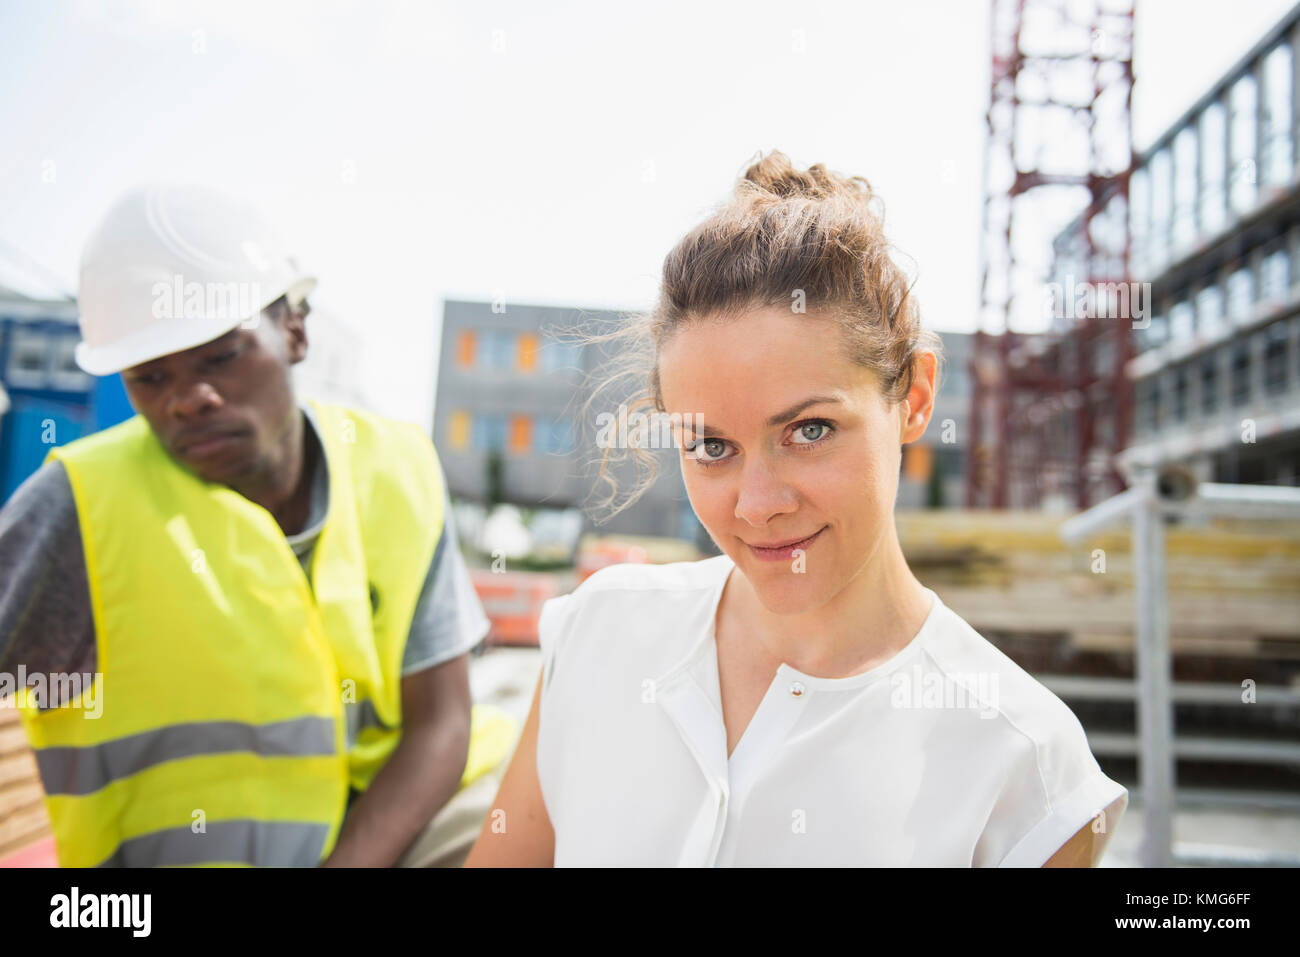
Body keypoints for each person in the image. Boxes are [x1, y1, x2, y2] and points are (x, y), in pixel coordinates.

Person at [466, 151, 1128, 867]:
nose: (758, 506)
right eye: (711, 446)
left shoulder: (1028, 769)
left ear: (914, 396)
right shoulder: (599, 632)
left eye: (809, 431)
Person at [0, 184, 513, 867]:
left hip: (385, 834)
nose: (190, 398)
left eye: (219, 356)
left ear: (295, 329)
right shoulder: (82, 504)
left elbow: (443, 721)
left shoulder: (394, 469)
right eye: (151, 376)